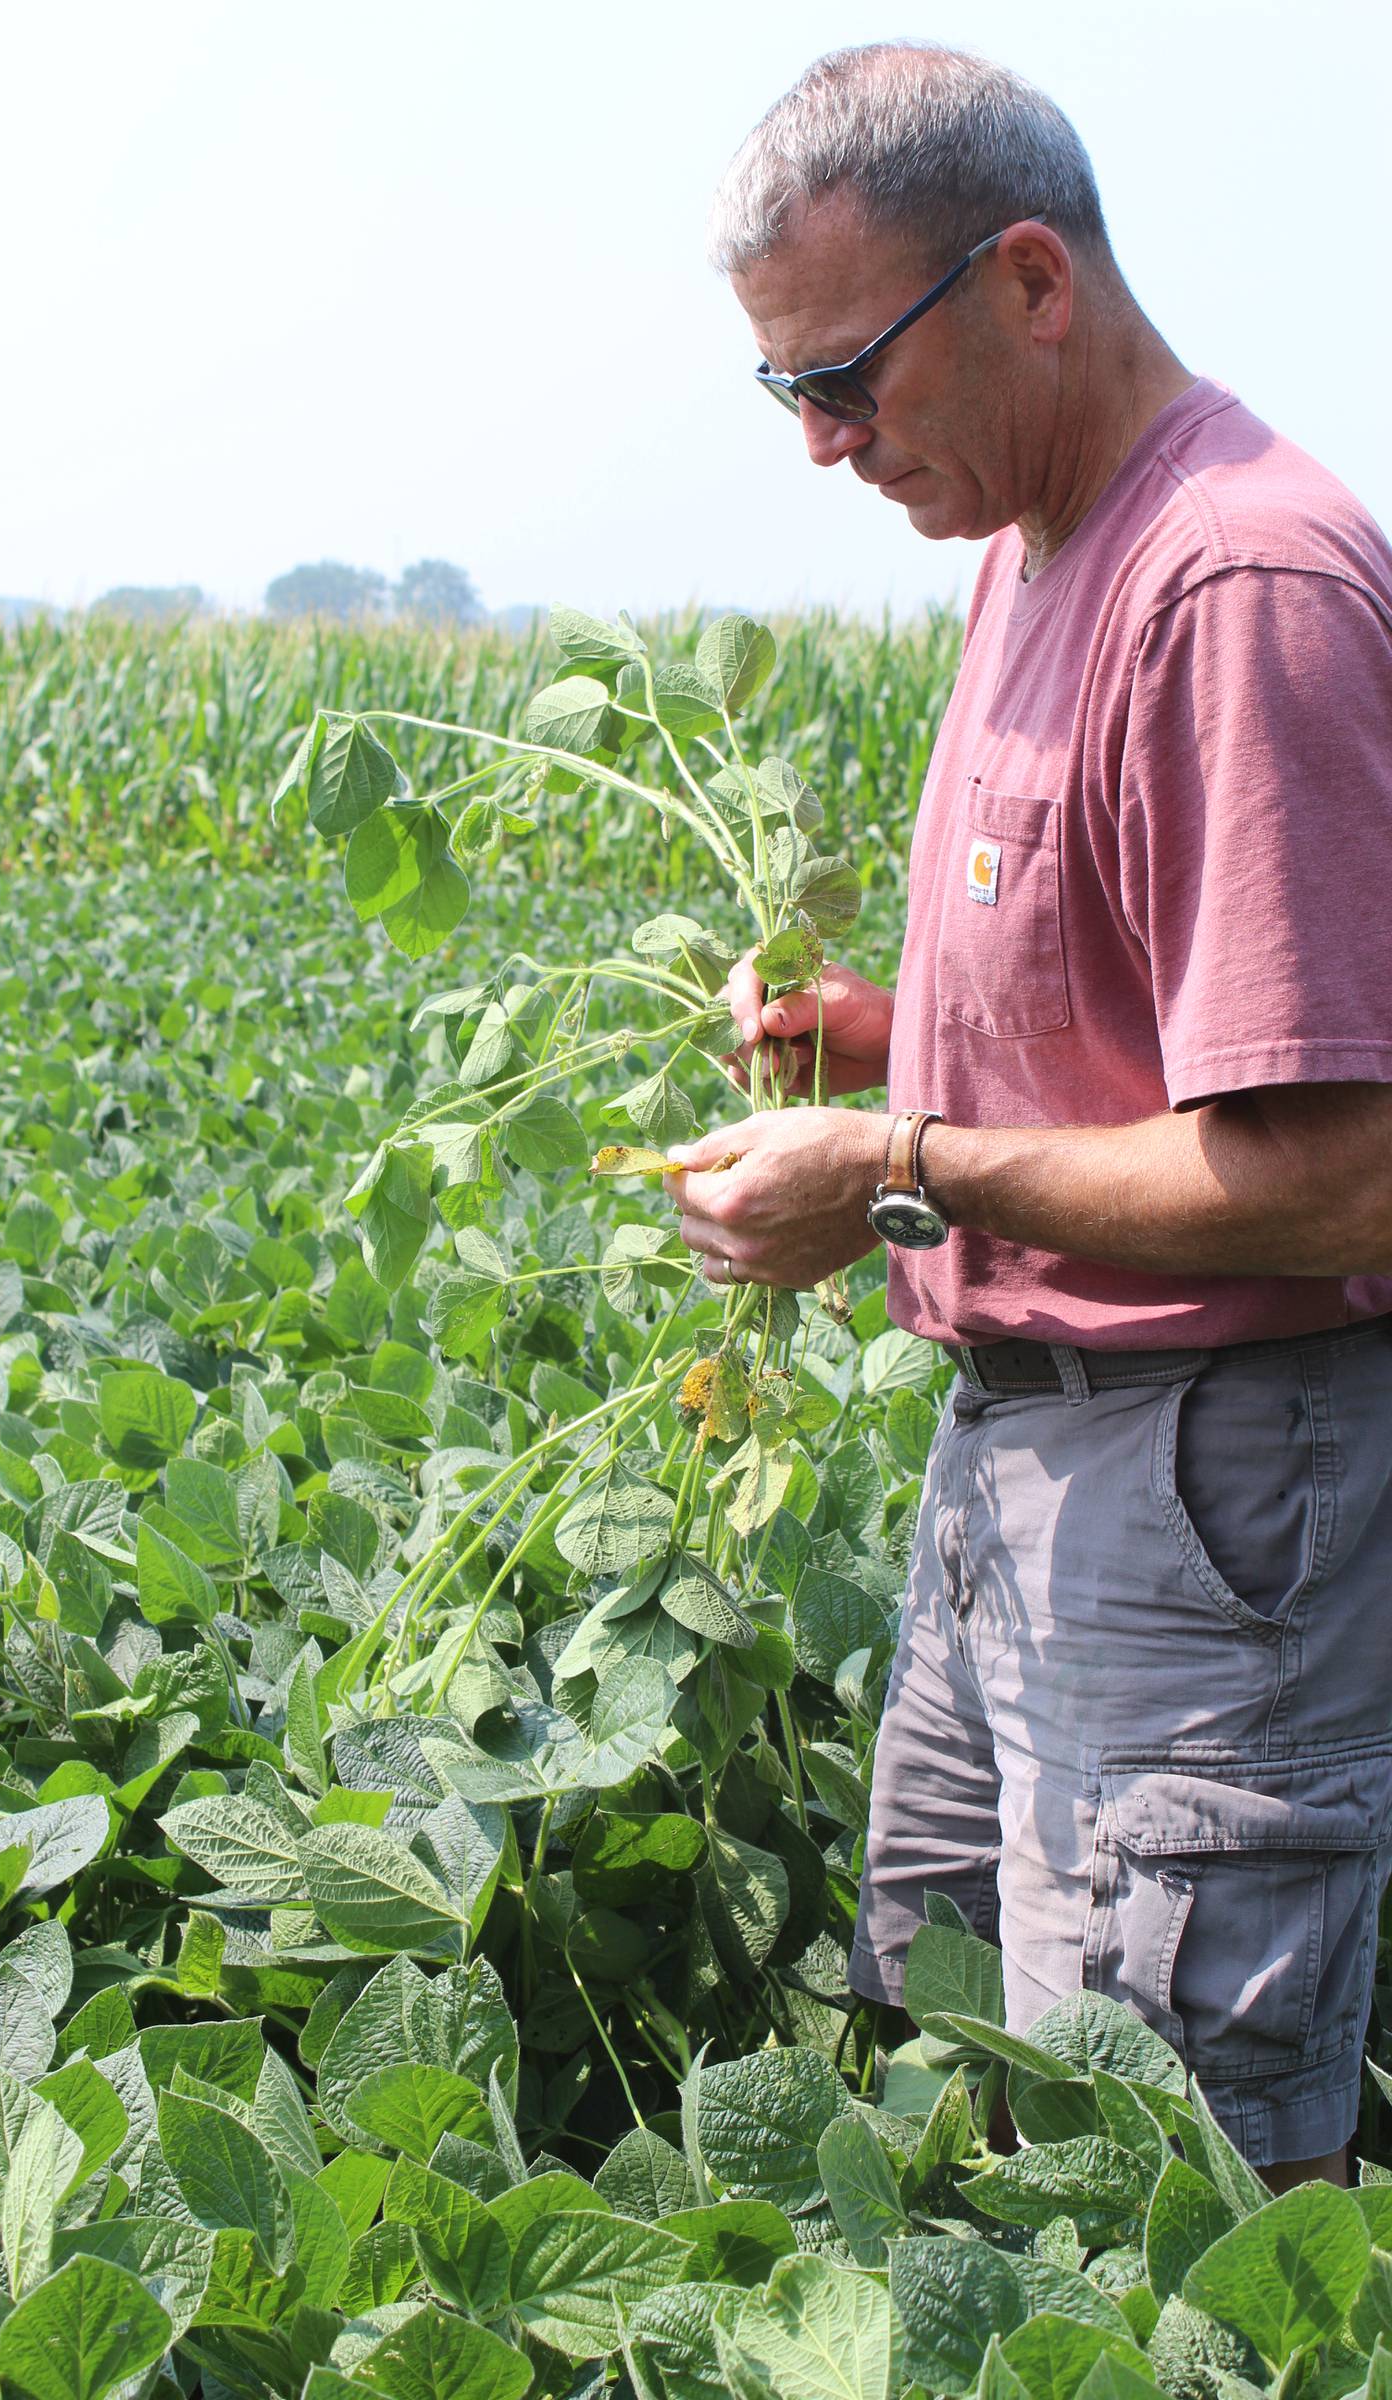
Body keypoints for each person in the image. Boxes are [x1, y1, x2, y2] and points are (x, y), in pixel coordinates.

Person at [666, 41, 1392, 2186]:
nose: (820, 445)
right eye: (780, 391)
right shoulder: (1023, 546)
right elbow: (1150, 1028)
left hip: (1207, 1507)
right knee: (965, 2088)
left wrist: (893, 1166)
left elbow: (1341, 1164)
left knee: (1168, 2180)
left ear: (1027, 283)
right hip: (1017, 1481)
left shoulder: (1233, 588)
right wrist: (874, 1038)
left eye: (846, 377)